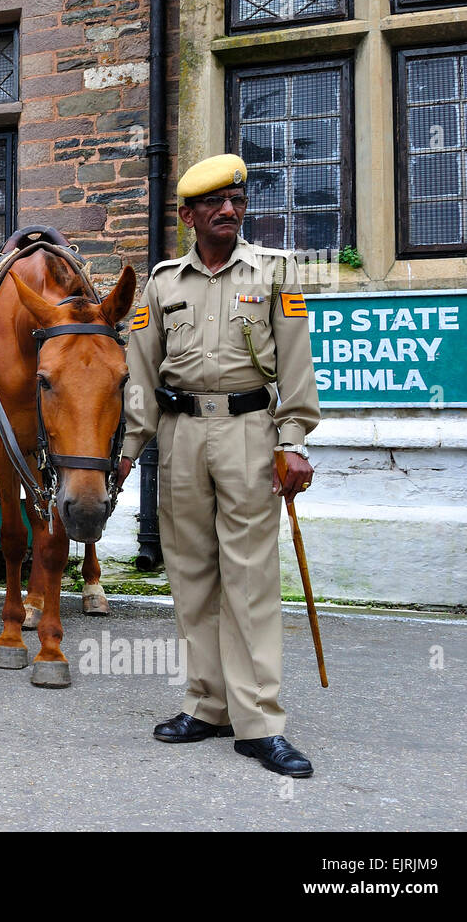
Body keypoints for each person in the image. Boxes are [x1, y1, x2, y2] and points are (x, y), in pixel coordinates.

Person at [116, 154, 321, 777]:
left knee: (251, 579)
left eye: (236, 200)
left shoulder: (276, 272)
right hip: (179, 438)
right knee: (191, 574)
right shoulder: (160, 285)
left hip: (248, 433)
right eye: (214, 203)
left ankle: (259, 722)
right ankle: (207, 705)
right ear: (188, 216)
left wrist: (294, 440)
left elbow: (296, 367)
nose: (229, 210)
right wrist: (126, 454)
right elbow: (142, 376)